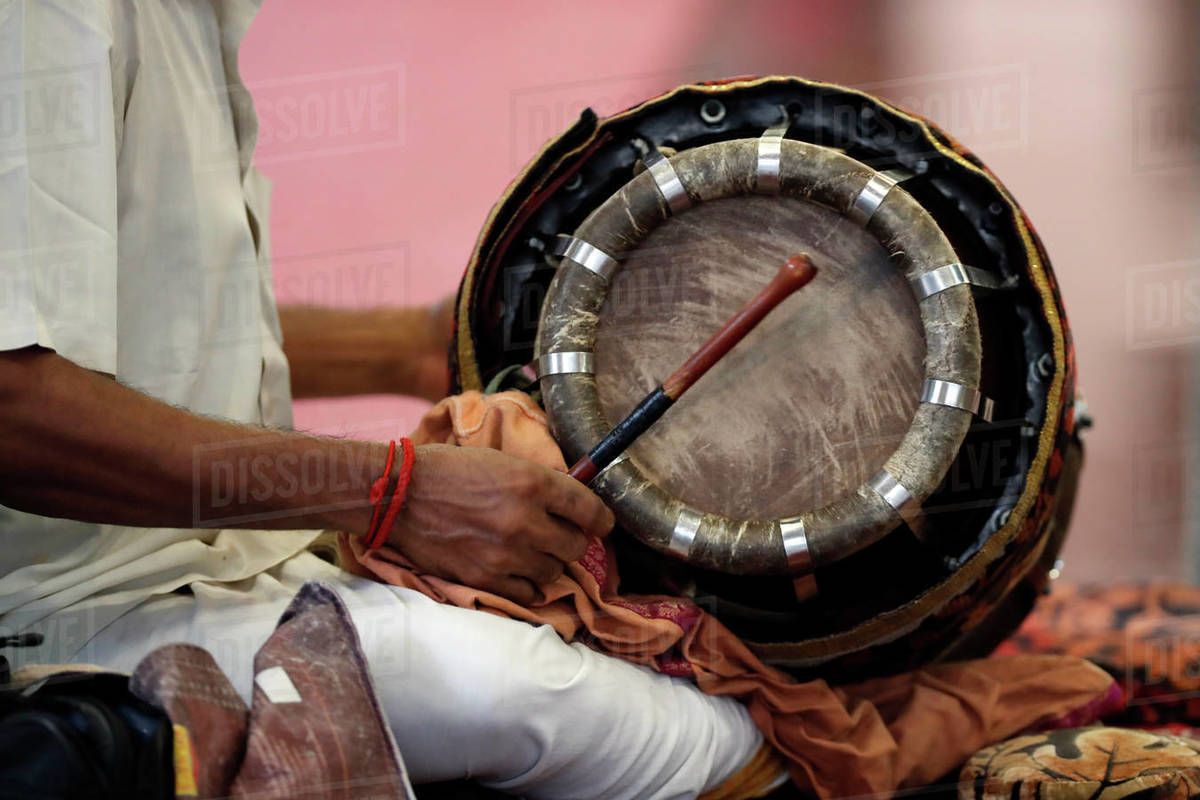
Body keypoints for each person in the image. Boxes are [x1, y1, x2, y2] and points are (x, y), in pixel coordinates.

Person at [0, 2, 763, 797]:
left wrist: (412, 346)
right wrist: (395, 491)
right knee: (693, 736)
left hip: (227, 570)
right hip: (74, 614)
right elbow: (13, 414)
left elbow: (137, 328)